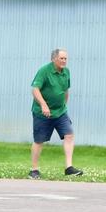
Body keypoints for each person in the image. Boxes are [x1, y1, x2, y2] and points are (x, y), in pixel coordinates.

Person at [29, 48, 83, 179]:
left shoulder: (66, 72)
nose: (64, 61)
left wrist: (64, 105)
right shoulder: (44, 71)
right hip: (43, 113)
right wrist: (43, 105)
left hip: (60, 112)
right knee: (39, 140)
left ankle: (69, 168)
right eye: (61, 58)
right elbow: (35, 89)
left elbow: (65, 90)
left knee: (69, 135)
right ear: (54, 59)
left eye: (65, 58)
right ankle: (34, 170)